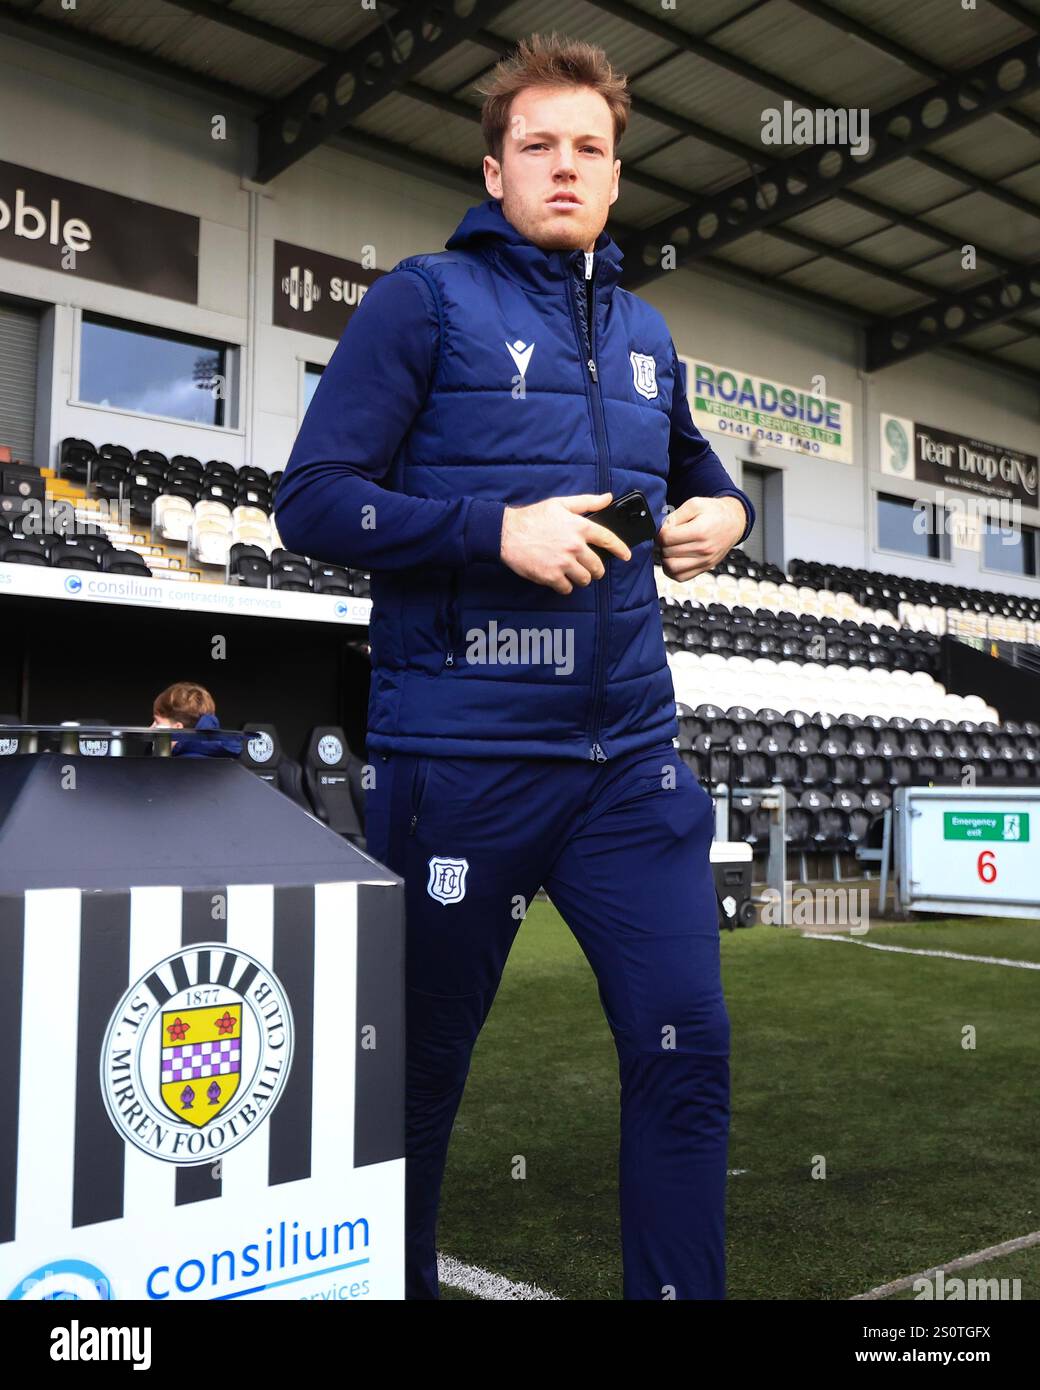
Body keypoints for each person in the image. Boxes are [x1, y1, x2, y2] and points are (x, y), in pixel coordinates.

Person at [274, 32, 755, 1301]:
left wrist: (731, 518)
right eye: (535, 146)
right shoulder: (421, 300)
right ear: (494, 172)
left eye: (587, 148)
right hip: (462, 763)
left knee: (685, 1046)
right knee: (418, 1067)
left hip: (628, 770)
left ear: (614, 176)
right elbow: (313, 502)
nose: (563, 166)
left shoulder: (648, 331)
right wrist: (493, 529)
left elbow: (697, 474)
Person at [149, 681, 243, 759]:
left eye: (157, 722)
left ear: (177, 729)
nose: (151, 728)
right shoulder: (223, 761)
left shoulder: (177, 770)